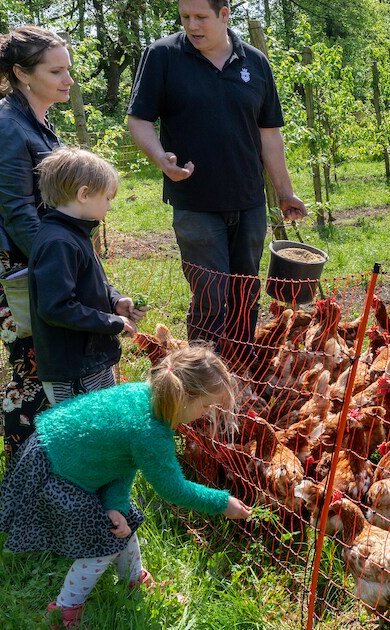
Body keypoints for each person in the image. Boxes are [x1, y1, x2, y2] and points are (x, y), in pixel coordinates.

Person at [0, 344, 253, 628]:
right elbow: (173, 489)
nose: (206, 413)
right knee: (103, 542)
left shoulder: (143, 396)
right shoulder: (151, 431)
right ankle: (64, 611)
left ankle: (133, 580)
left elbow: (123, 460)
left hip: (59, 455)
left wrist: (115, 504)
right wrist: (222, 503)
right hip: (57, 471)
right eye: (205, 406)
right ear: (184, 397)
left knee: (121, 522)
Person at [126, 0, 307, 365]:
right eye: (185, 17)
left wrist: (285, 191)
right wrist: (161, 159)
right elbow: (139, 119)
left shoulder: (255, 62)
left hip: (249, 201)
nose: (192, 25)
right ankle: (201, 374)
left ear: (224, 14)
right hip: (195, 202)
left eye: (201, 17)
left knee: (245, 293)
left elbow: (269, 133)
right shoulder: (163, 56)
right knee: (211, 295)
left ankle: (239, 367)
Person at [0, 25, 71, 457]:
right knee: (32, 370)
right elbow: (19, 216)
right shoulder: (5, 129)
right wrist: (64, 266)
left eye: (68, 69)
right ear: (21, 73)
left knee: (54, 365)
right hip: (16, 267)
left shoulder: (36, 120)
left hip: (42, 259)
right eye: (56, 71)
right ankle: (24, 475)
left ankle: (60, 467)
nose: (68, 80)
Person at [30, 147, 147, 404]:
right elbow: (56, 307)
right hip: (74, 368)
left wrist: (115, 300)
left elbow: (92, 284)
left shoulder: (74, 233)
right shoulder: (59, 243)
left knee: (105, 419)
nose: (109, 206)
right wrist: (111, 322)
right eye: (107, 198)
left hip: (90, 359)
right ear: (84, 194)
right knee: (86, 425)